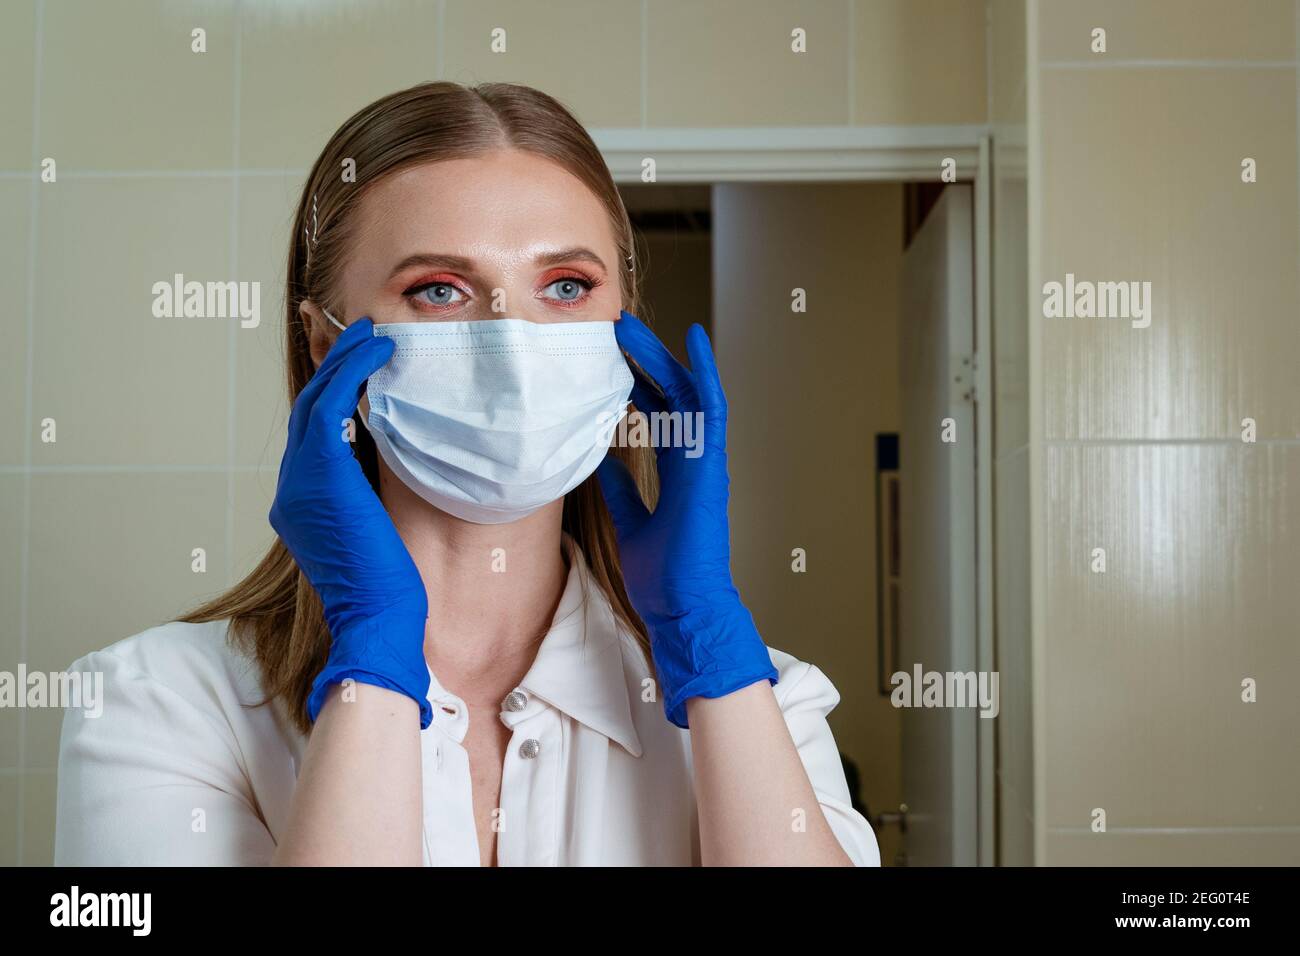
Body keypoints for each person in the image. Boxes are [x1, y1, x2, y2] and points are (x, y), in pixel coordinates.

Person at [54, 81, 880, 867]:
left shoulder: (761, 705)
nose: (512, 342)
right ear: (323, 343)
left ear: (623, 330)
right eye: (440, 290)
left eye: (565, 286)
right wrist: (374, 654)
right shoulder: (160, 702)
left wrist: (709, 643)